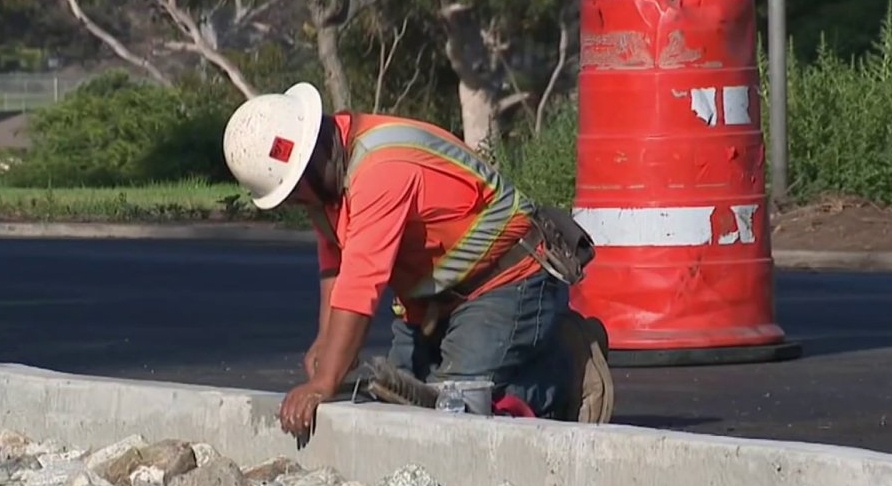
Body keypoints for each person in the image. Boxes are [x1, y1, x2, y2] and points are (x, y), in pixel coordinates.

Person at [220, 82, 614, 437]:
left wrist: (324, 382)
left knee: (456, 409)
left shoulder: (381, 169)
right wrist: (326, 342)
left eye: (292, 192)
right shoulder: (323, 182)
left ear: (311, 156)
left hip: (507, 281)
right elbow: (335, 265)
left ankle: (567, 369)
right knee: (396, 398)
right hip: (436, 302)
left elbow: (360, 284)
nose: (295, 202)